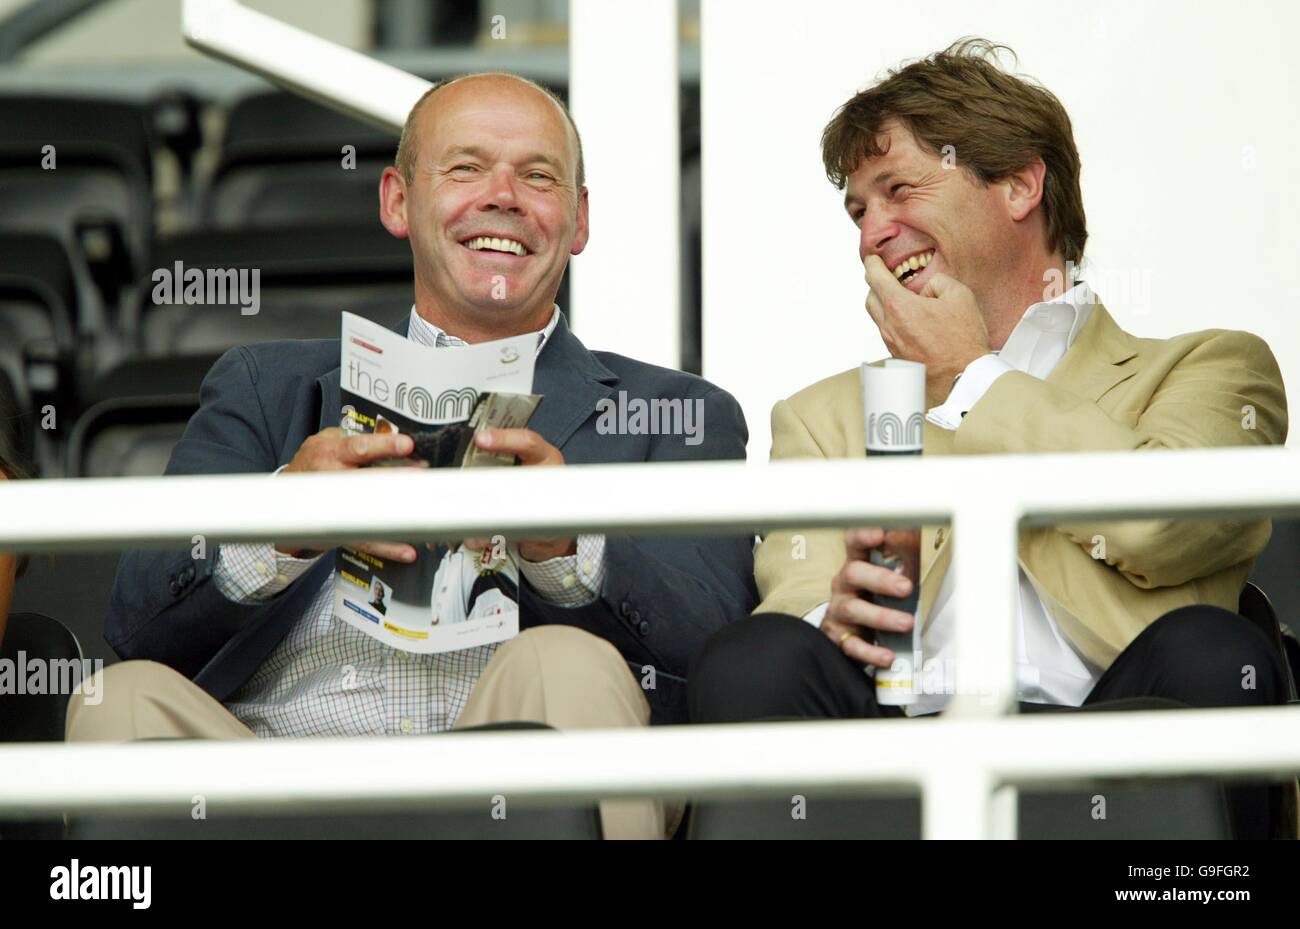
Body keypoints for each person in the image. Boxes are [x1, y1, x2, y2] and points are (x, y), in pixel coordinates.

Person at [69, 72, 758, 840]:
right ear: (397, 201)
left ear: (579, 219)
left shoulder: (679, 413)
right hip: (272, 788)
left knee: (567, 660)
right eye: (466, 168)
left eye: (538, 175)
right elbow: (135, 622)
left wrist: (570, 546)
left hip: (511, 791)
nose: (503, 195)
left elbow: (719, 659)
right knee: (115, 699)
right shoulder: (267, 386)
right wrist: (280, 523)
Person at [688, 39, 1290, 838]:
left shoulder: (1212, 368)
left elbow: (1165, 524)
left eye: (899, 190)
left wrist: (971, 376)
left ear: (1019, 183)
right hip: (891, 754)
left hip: (1113, 746)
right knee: (751, 659)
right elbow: (791, 596)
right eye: (860, 211)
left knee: (1215, 650)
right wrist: (827, 618)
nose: (874, 233)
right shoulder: (822, 414)